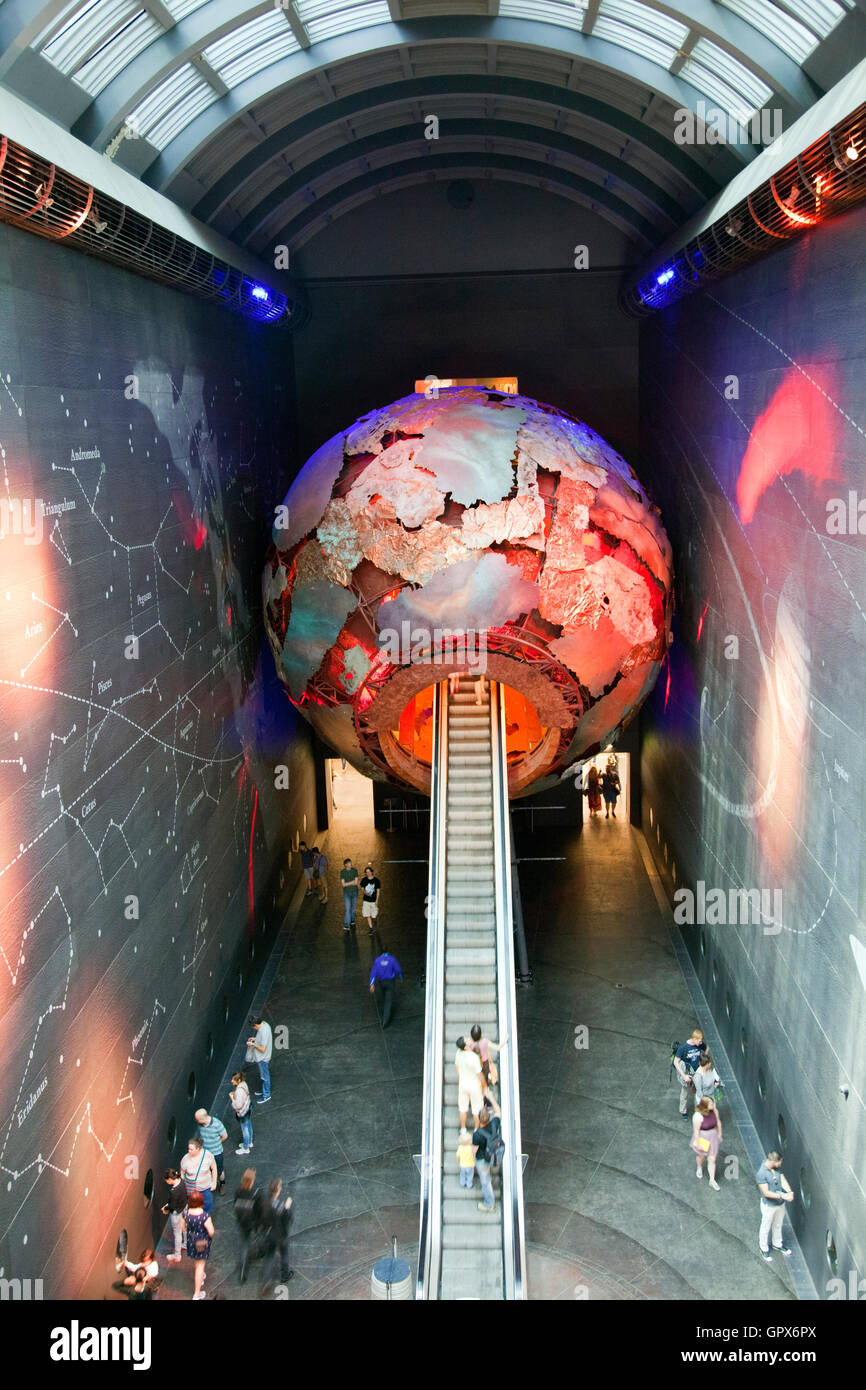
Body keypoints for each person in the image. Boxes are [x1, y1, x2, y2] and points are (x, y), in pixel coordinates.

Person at [756, 1150, 794, 1262]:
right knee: (765, 1227)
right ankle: (763, 1247)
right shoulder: (761, 1173)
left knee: (778, 1224)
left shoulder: (776, 1169)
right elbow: (766, 1193)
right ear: (774, 1161)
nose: (780, 1164)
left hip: (780, 1204)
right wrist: (783, 1196)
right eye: (780, 1162)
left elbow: (782, 1179)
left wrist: (789, 1192)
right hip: (769, 1206)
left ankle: (777, 1243)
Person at [259, 1179, 294, 1294]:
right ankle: (285, 1275)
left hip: (269, 1235)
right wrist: (287, 1208)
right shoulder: (280, 1206)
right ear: (278, 1190)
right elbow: (287, 1220)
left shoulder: (264, 1202)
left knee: (269, 1256)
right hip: (280, 1236)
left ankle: (266, 1280)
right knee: (284, 1255)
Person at [473, 1094, 503, 1213]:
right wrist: (491, 1098)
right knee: (486, 1174)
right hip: (494, 1154)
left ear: (479, 1119)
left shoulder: (477, 1134)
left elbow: (474, 1151)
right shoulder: (495, 1123)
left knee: (485, 1182)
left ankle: (489, 1204)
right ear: (488, 1118)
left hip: (482, 1160)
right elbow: (498, 1111)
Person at [183, 1191, 215, 1300]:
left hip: (191, 1241)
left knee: (196, 1261)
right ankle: (197, 1293)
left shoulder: (185, 1214)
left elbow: (182, 1228)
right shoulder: (205, 1216)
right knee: (201, 1265)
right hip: (202, 1242)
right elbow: (211, 1232)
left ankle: (201, 1275)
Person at [233, 1167, 262, 1284]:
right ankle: (260, 1251)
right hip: (254, 1221)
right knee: (260, 1235)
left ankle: (242, 1274)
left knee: (245, 1245)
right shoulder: (256, 1193)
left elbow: (235, 1204)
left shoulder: (238, 1191)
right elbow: (260, 1209)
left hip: (242, 1222)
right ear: (252, 1180)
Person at [673, 1029, 707, 1118]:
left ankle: (698, 1110)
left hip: (697, 1073)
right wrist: (684, 1076)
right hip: (688, 1074)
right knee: (685, 1093)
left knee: (698, 1092)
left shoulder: (700, 1044)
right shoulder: (683, 1048)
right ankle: (683, 1111)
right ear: (694, 1039)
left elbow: (706, 1048)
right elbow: (676, 1062)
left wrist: (704, 1061)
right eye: (699, 1041)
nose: (701, 1043)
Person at [180, 1136, 218, 1214]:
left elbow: (214, 1168)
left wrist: (214, 1182)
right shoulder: (185, 1159)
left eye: (191, 1149)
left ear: (198, 1149)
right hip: (193, 1191)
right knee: (194, 1209)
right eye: (188, 1149)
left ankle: (205, 1219)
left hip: (206, 1188)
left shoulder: (207, 1155)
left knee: (207, 1206)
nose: (189, 1151)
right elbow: (182, 1173)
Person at [455, 1035, 485, 1132]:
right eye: (466, 1040)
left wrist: (461, 1079)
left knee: (463, 1109)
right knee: (476, 1110)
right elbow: (479, 1074)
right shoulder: (474, 1057)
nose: (468, 1039)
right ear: (466, 1047)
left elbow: (457, 1068)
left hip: (463, 1084)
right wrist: (484, 1087)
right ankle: (476, 1130)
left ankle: (463, 1130)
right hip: (474, 1086)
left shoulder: (458, 1053)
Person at [195, 1106, 228, 1193]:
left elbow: (225, 1136)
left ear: (202, 1118)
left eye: (197, 1119)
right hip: (206, 1153)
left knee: (219, 1169)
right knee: (208, 1169)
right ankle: (212, 1182)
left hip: (217, 1153)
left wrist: (217, 1143)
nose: (197, 1121)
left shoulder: (217, 1124)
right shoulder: (200, 1125)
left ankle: (222, 1184)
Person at [690, 1097, 722, 1190]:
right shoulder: (697, 1116)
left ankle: (712, 1180)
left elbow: (718, 1122)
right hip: (703, 1138)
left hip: (713, 1136)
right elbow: (696, 1131)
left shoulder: (714, 1111)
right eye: (711, 1104)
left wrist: (719, 1134)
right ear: (705, 1106)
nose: (713, 1105)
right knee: (701, 1156)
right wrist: (699, 1143)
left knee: (712, 1159)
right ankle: (699, 1167)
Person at [369, 950, 403, 1028]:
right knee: (388, 1001)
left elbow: (373, 973)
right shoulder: (392, 959)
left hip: (381, 983)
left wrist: (371, 984)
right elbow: (398, 970)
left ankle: (384, 1012)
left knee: (383, 998)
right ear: (388, 952)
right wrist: (400, 977)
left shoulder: (377, 960)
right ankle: (385, 1020)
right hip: (390, 983)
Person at [247, 1013, 273, 1103]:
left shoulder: (263, 1031)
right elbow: (262, 1040)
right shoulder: (264, 1024)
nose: (254, 1029)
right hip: (263, 1057)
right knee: (263, 1075)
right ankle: (264, 1089)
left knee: (265, 1076)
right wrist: (255, 1039)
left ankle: (266, 1095)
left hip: (263, 1058)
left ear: (256, 1025)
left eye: (254, 1027)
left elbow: (262, 1049)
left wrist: (253, 1044)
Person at [162, 1170, 187, 1262]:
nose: (166, 1182)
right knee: (184, 1228)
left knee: (177, 1233)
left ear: (170, 1179)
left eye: (166, 1180)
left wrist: (165, 1209)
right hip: (184, 1208)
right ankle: (186, 1244)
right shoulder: (182, 1181)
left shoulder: (174, 1191)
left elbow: (172, 1206)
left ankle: (177, 1255)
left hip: (177, 1213)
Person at [230, 1070, 253, 1154]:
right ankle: (249, 1142)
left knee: (245, 1129)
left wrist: (232, 1098)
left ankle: (245, 1148)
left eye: (233, 1079)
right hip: (248, 1107)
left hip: (243, 1112)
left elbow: (238, 1106)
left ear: (238, 1080)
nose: (231, 1081)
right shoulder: (244, 1084)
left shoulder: (239, 1091)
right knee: (249, 1125)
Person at [360, 865, 381, 934]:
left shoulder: (376, 880)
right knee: (368, 915)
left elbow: (378, 891)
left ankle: (374, 922)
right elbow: (362, 888)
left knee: (374, 915)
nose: (368, 873)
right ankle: (371, 928)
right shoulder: (364, 880)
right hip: (366, 901)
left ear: (372, 872)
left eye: (369, 872)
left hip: (373, 901)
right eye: (366, 872)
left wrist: (377, 900)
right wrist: (365, 892)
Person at [341, 857, 359, 930]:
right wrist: (352, 882)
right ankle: (347, 925)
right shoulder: (342, 872)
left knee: (353, 909)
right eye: (349, 863)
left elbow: (356, 882)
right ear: (346, 865)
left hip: (355, 892)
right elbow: (343, 885)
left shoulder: (355, 870)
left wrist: (347, 883)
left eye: (351, 863)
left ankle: (352, 920)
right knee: (348, 908)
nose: (351, 864)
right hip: (346, 893)